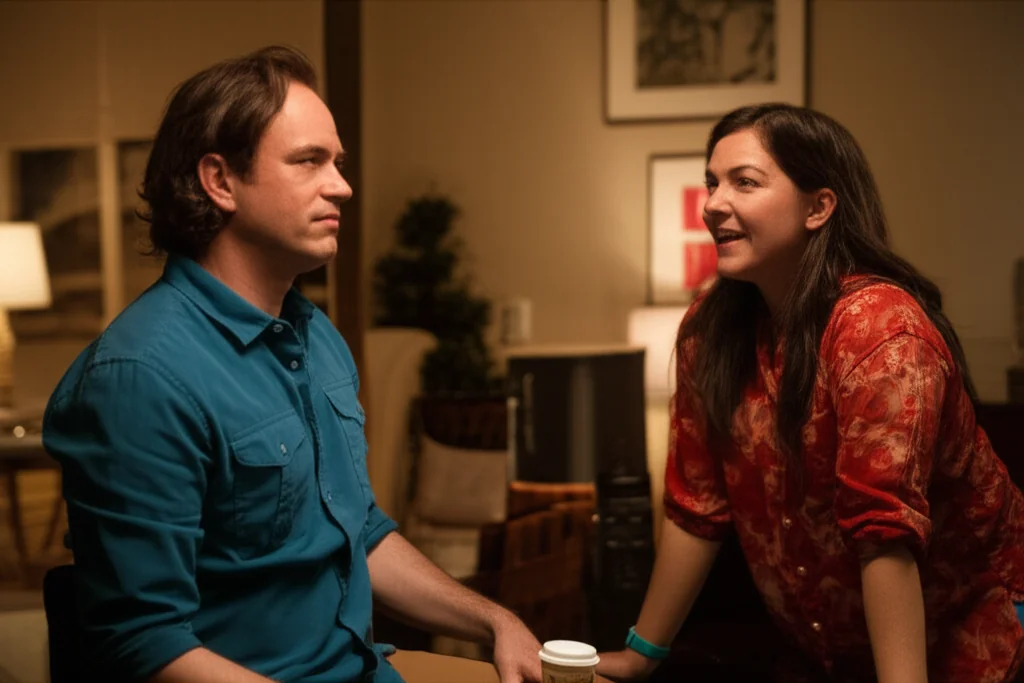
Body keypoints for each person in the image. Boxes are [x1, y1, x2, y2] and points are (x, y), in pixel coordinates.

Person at [42, 45, 542, 683]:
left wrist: (495, 620)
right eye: (309, 161)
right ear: (219, 181)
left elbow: (358, 532)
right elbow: (142, 642)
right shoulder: (138, 378)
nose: (342, 185)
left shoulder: (315, 335)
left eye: (337, 162)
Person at [597, 104, 1024, 683]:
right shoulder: (710, 329)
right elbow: (695, 507)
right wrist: (641, 655)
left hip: (972, 638)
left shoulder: (879, 330)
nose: (713, 203)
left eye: (744, 182)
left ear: (819, 207)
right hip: (827, 655)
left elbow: (884, 537)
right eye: (711, 182)